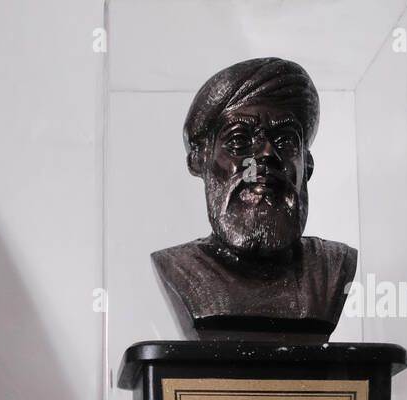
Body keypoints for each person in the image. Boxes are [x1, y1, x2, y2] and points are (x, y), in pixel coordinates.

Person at [151, 57, 357, 341]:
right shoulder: (178, 267)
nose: (265, 154)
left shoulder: (332, 268)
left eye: (285, 140)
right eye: (239, 140)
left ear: (306, 165)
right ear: (200, 161)